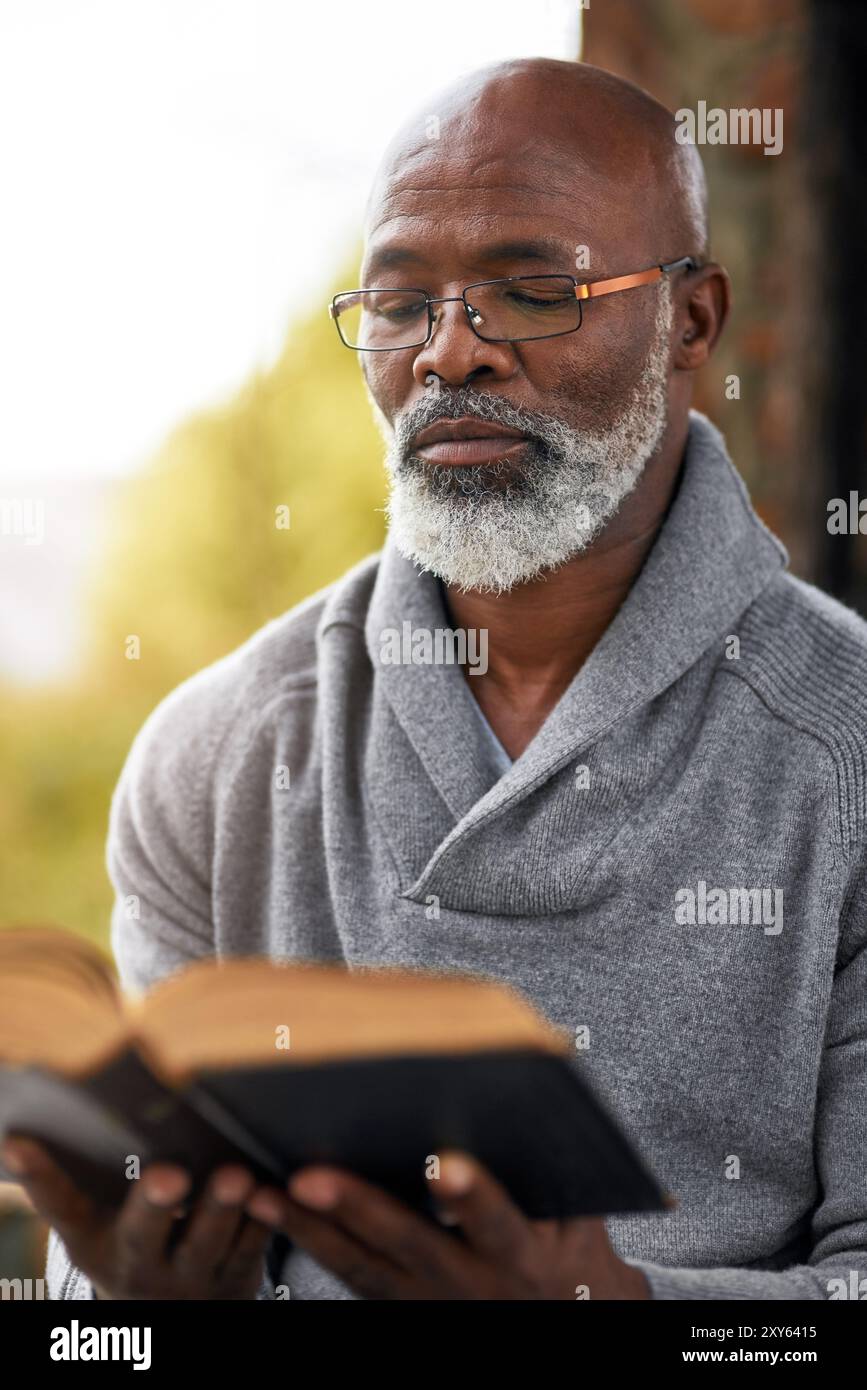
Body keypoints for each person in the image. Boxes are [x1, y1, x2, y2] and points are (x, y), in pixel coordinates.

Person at [6, 57, 867, 1300]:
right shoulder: (218, 756)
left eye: (528, 292)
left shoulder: (839, 749)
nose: (448, 354)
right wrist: (137, 1306)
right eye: (403, 303)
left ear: (692, 321)